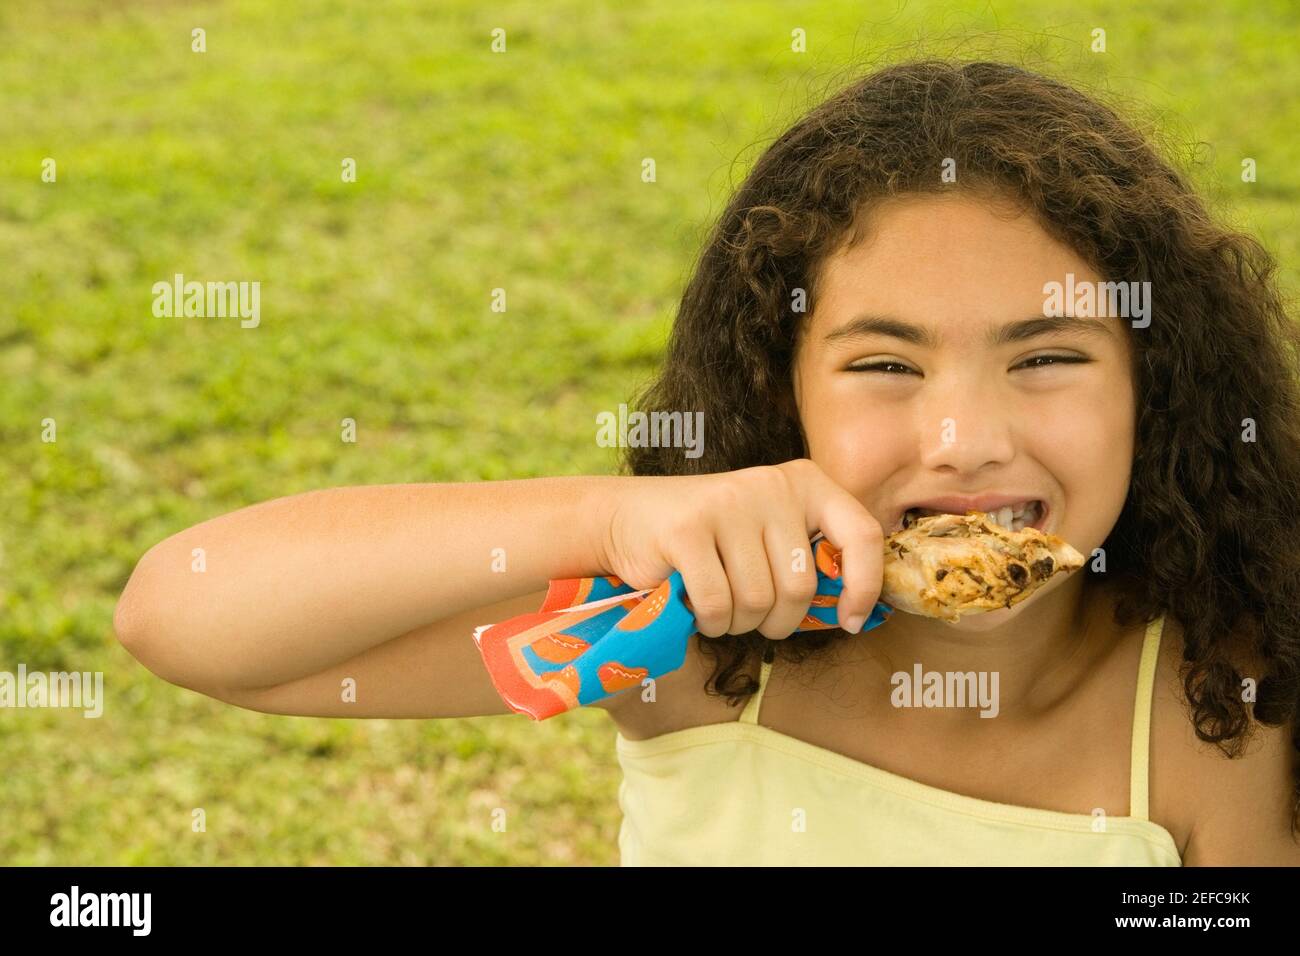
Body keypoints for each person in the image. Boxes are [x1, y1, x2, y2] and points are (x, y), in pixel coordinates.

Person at [114, 59, 1300, 866]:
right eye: (885, 366)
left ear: (1158, 380)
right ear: (778, 390)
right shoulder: (688, 641)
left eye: (1043, 356)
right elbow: (188, 617)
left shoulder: (1213, 708)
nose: (964, 438)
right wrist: (611, 521)